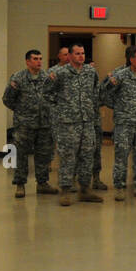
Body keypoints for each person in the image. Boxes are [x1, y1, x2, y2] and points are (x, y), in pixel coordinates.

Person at [47, 44, 103, 206]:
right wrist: (61, 109)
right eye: (77, 54)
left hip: (87, 122)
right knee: (67, 157)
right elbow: (47, 93)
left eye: (83, 53)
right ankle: (65, 190)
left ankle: (84, 190)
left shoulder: (90, 72)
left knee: (87, 156)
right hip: (68, 123)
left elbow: (95, 92)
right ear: (70, 56)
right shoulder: (60, 73)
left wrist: (92, 110)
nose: (81, 56)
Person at [3, 49, 59, 198]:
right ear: (27, 61)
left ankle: (42, 183)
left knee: (43, 155)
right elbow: (7, 99)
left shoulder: (47, 77)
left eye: (40, 58)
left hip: (44, 124)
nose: (39, 61)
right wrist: (22, 112)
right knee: (20, 155)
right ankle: (20, 184)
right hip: (24, 125)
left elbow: (54, 97)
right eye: (35, 59)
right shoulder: (18, 78)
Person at [104, 47, 136, 200]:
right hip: (124, 124)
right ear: (131, 60)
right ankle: (119, 187)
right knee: (121, 156)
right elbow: (106, 94)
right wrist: (120, 108)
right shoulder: (120, 76)